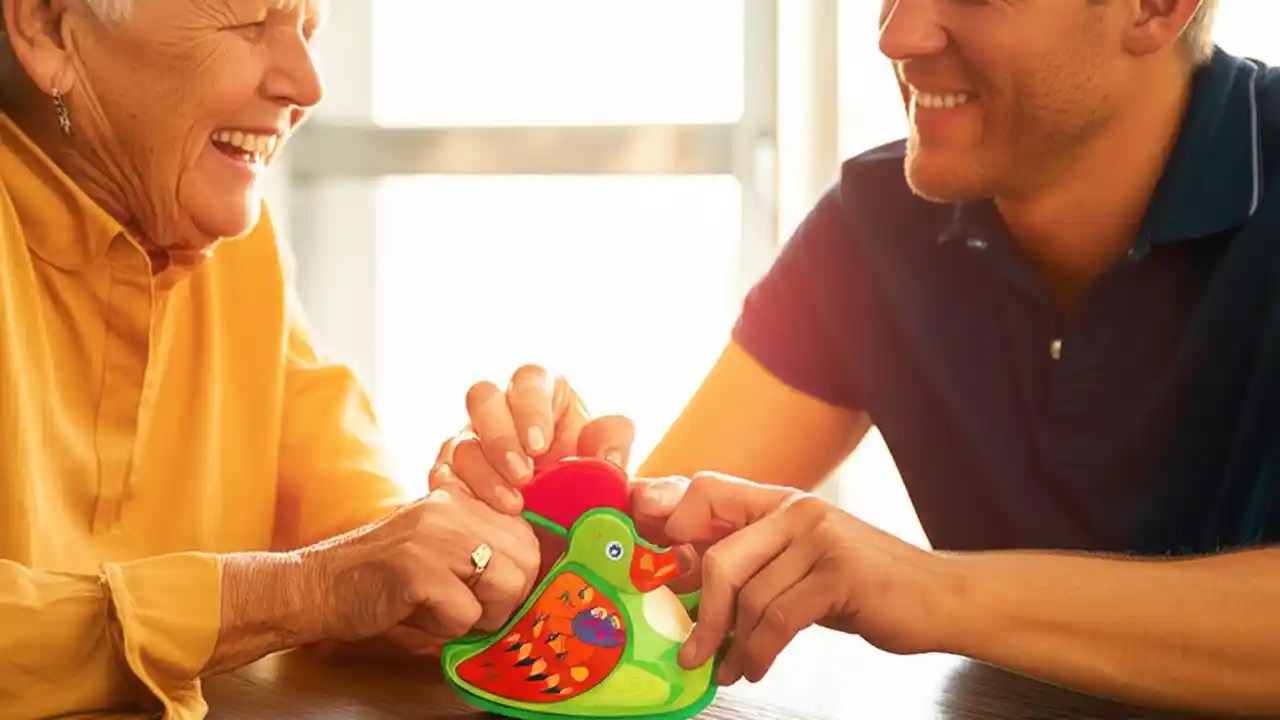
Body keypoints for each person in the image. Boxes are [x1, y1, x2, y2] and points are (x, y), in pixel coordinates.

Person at [436, 0, 1280, 715]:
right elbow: (670, 555)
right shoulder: (875, 229)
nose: (896, 33)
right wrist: (552, 529)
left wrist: (932, 590)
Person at [0, 1, 551, 717]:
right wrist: (291, 592)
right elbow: (318, 579)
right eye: (245, 23)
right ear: (47, 26)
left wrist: (512, 532)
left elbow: (351, 534)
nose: (308, 85)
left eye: (310, 27)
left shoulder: (229, 238)